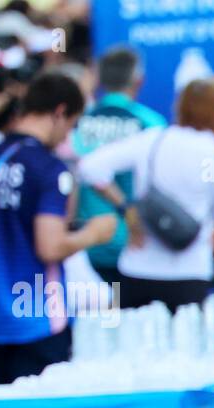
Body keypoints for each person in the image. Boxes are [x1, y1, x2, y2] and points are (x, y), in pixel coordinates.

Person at [0, 70, 116, 384]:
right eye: (71, 125)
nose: (68, 137)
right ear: (59, 112)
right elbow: (50, 246)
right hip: (39, 319)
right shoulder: (49, 168)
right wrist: (95, 233)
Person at [77, 78, 214, 310]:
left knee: (130, 344)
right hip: (190, 270)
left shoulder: (151, 141)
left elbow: (90, 167)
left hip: (138, 267)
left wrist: (126, 208)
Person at [70, 46, 166, 289]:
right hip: (136, 243)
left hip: (86, 243)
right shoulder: (151, 124)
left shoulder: (76, 122)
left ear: (100, 79)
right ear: (139, 81)